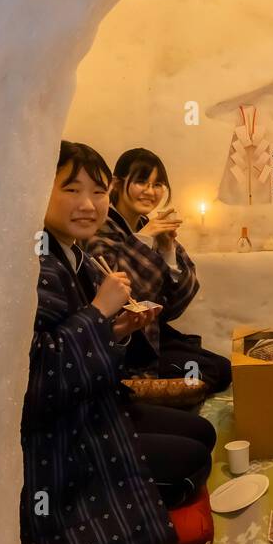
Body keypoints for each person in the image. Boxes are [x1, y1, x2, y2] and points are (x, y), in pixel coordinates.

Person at [19, 141, 216, 544]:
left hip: (100, 398)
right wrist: (99, 311)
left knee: (204, 428)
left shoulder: (74, 251)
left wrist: (119, 331)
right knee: (194, 457)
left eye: (97, 192)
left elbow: (177, 301)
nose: (88, 204)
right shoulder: (40, 263)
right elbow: (34, 375)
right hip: (62, 438)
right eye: (71, 190)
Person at [86, 147, 232, 395]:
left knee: (222, 368)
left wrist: (167, 249)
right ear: (117, 184)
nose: (150, 191)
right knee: (200, 374)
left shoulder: (150, 226)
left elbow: (178, 302)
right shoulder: (101, 229)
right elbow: (121, 295)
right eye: (141, 181)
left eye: (157, 184)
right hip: (126, 342)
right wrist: (143, 240)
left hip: (153, 333)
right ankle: (136, 397)